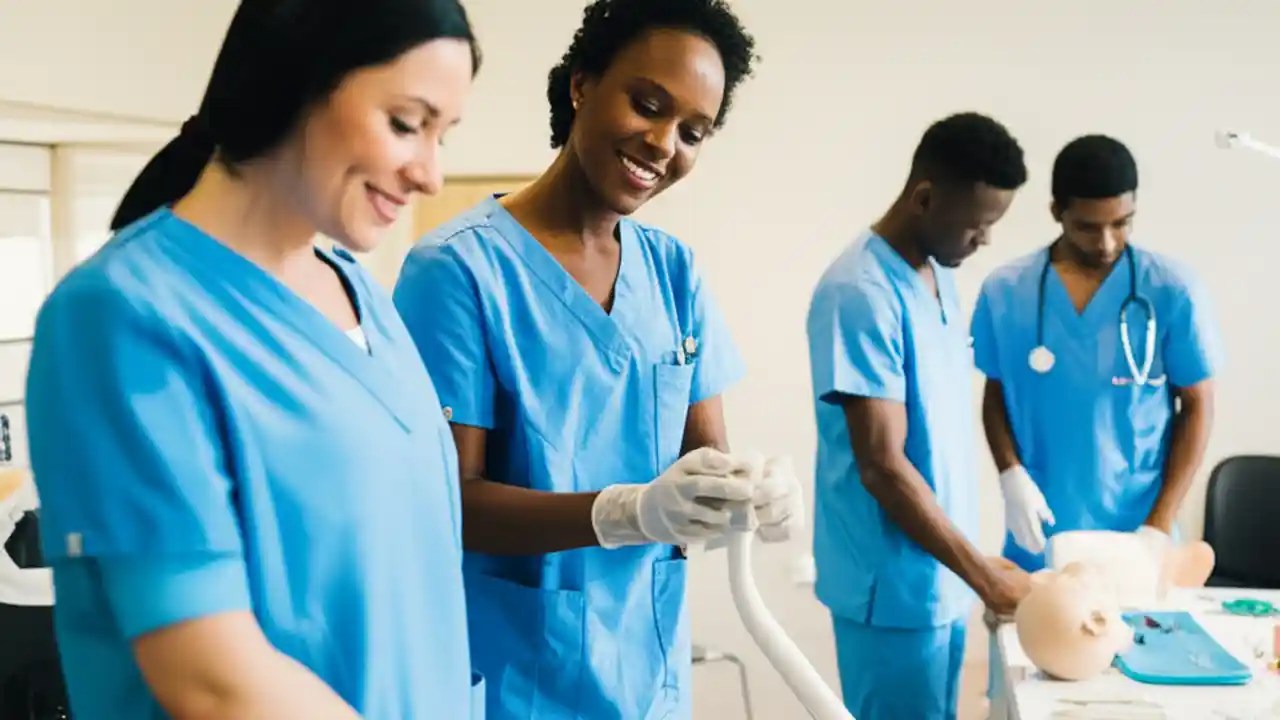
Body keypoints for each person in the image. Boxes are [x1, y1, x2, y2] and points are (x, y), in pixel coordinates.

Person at [23, 2, 481, 717]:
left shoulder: (361, 293)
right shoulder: (123, 316)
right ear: (297, 82)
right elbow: (212, 679)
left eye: (443, 135)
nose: (429, 173)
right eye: (405, 123)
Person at [392, 1, 802, 717]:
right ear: (582, 84)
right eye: (647, 104)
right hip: (519, 680)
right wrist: (626, 512)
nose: (663, 143)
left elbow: (704, 466)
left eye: (693, 132)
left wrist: (752, 493)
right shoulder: (458, 271)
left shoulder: (674, 273)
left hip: (650, 677)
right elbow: (445, 502)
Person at [806, 112, 1031, 720]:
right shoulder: (861, 293)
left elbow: (936, 440)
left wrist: (976, 564)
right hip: (892, 591)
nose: (983, 241)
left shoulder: (934, 275)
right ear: (925, 197)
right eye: (978, 226)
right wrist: (981, 574)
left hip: (939, 577)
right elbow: (882, 466)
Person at [972, 135, 1221, 572]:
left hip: (1139, 533)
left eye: (1122, 223)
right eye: (1088, 226)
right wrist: (1011, 476)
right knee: (1037, 635)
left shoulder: (1170, 289)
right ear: (1057, 212)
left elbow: (1198, 406)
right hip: (1042, 529)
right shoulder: (1006, 290)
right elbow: (996, 392)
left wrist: (1158, 526)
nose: (1107, 242)